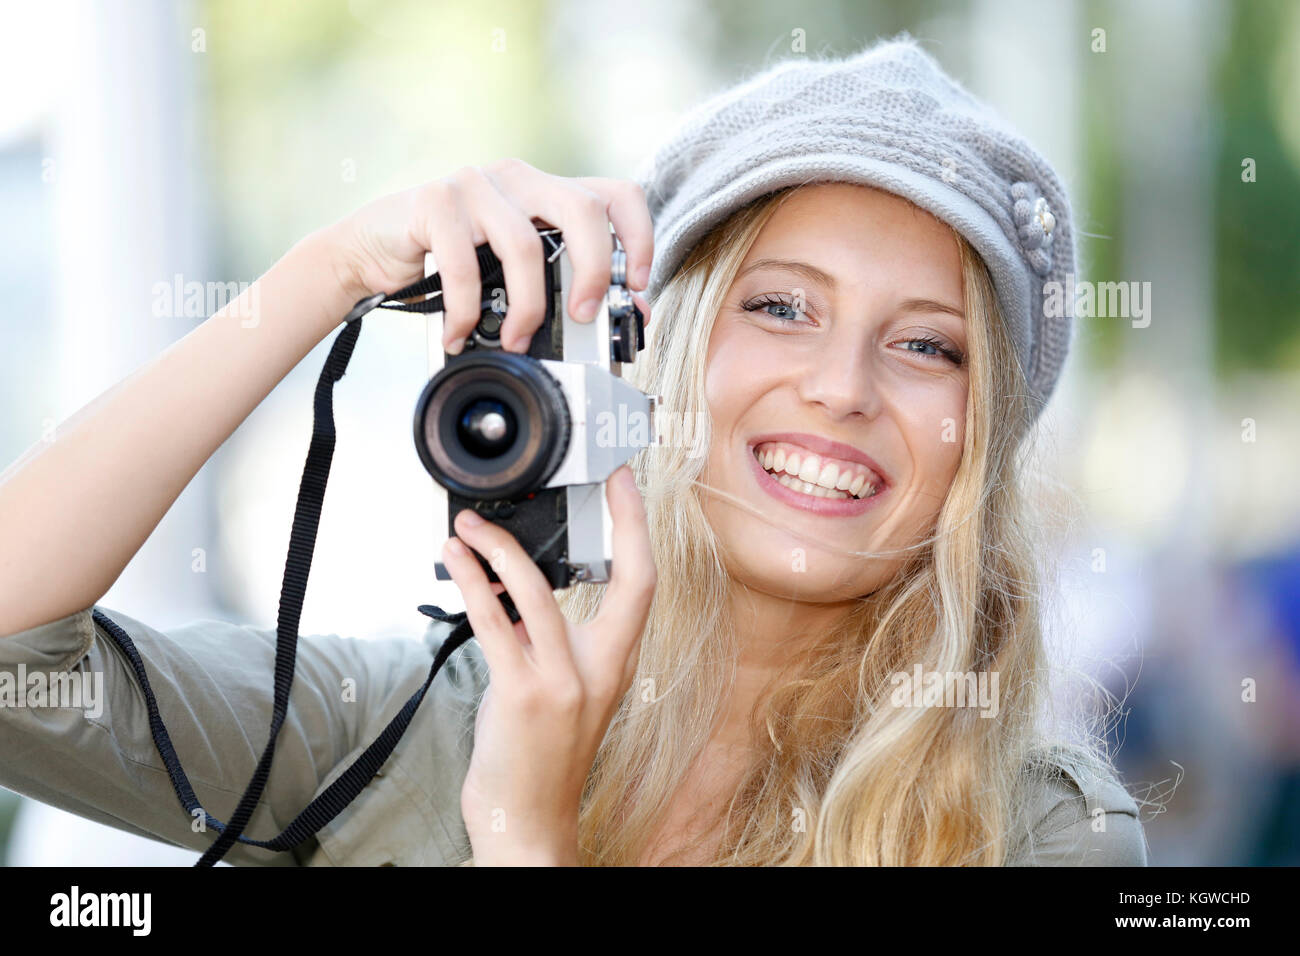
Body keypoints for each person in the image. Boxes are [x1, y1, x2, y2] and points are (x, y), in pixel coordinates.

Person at [0, 35, 1146, 866]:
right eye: (781, 309)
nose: (842, 388)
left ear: (980, 440)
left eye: (926, 345)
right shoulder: (420, 721)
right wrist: (334, 271)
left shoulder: (1037, 829)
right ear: (655, 355)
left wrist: (526, 836)